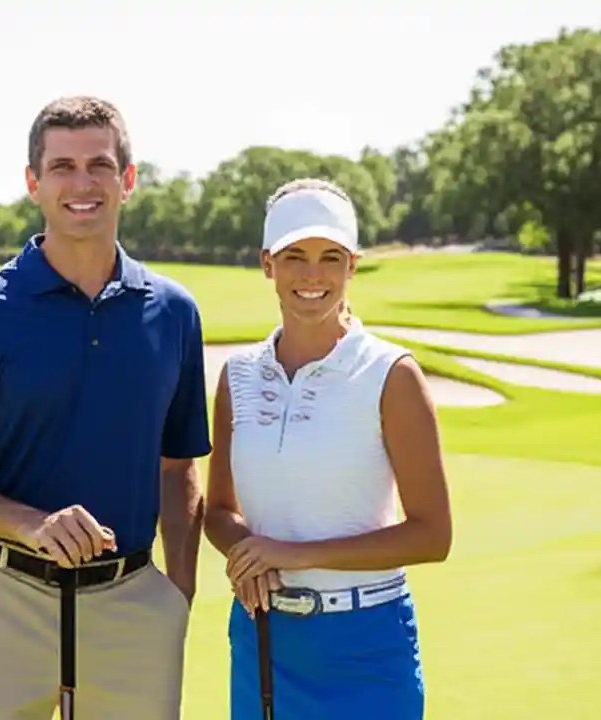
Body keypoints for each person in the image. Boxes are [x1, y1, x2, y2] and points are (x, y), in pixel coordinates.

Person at [0, 95, 211, 720]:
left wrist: (177, 594)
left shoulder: (173, 312)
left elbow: (179, 469)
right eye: (62, 166)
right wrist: (31, 525)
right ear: (33, 183)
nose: (82, 183)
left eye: (99, 165)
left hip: (131, 605)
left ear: (128, 180)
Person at [204, 178, 453, 719]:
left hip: (366, 644)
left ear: (352, 265)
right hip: (263, 637)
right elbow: (219, 512)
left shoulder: (391, 375)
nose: (312, 275)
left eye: (329, 257)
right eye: (295, 256)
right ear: (267, 263)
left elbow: (433, 535)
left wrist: (294, 555)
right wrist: (247, 556)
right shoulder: (239, 376)